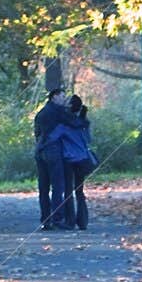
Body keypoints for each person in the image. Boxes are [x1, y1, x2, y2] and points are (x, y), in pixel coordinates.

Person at [50, 94, 98, 230]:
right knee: (79, 190)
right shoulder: (84, 123)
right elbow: (88, 140)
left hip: (68, 160)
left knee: (68, 190)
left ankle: (70, 221)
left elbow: (52, 138)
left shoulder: (64, 125)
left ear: (69, 107)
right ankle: (83, 221)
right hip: (83, 159)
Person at [32, 88, 79, 230]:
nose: (64, 100)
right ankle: (58, 218)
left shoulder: (41, 113)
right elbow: (75, 123)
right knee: (58, 186)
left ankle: (45, 219)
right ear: (54, 97)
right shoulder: (58, 112)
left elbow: (37, 133)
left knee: (44, 187)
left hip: (40, 151)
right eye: (62, 97)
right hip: (53, 151)